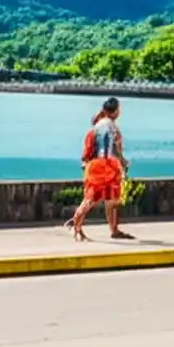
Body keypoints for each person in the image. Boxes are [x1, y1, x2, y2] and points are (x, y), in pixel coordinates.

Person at [67, 97, 134, 241]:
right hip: (107, 165)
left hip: (95, 165)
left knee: (93, 199)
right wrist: (123, 162)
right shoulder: (112, 127)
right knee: (110, 200)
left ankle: (78, 227)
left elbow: (88, 149)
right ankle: (109, 229)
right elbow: (115, 149)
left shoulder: (96, 127)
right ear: (116, 111)